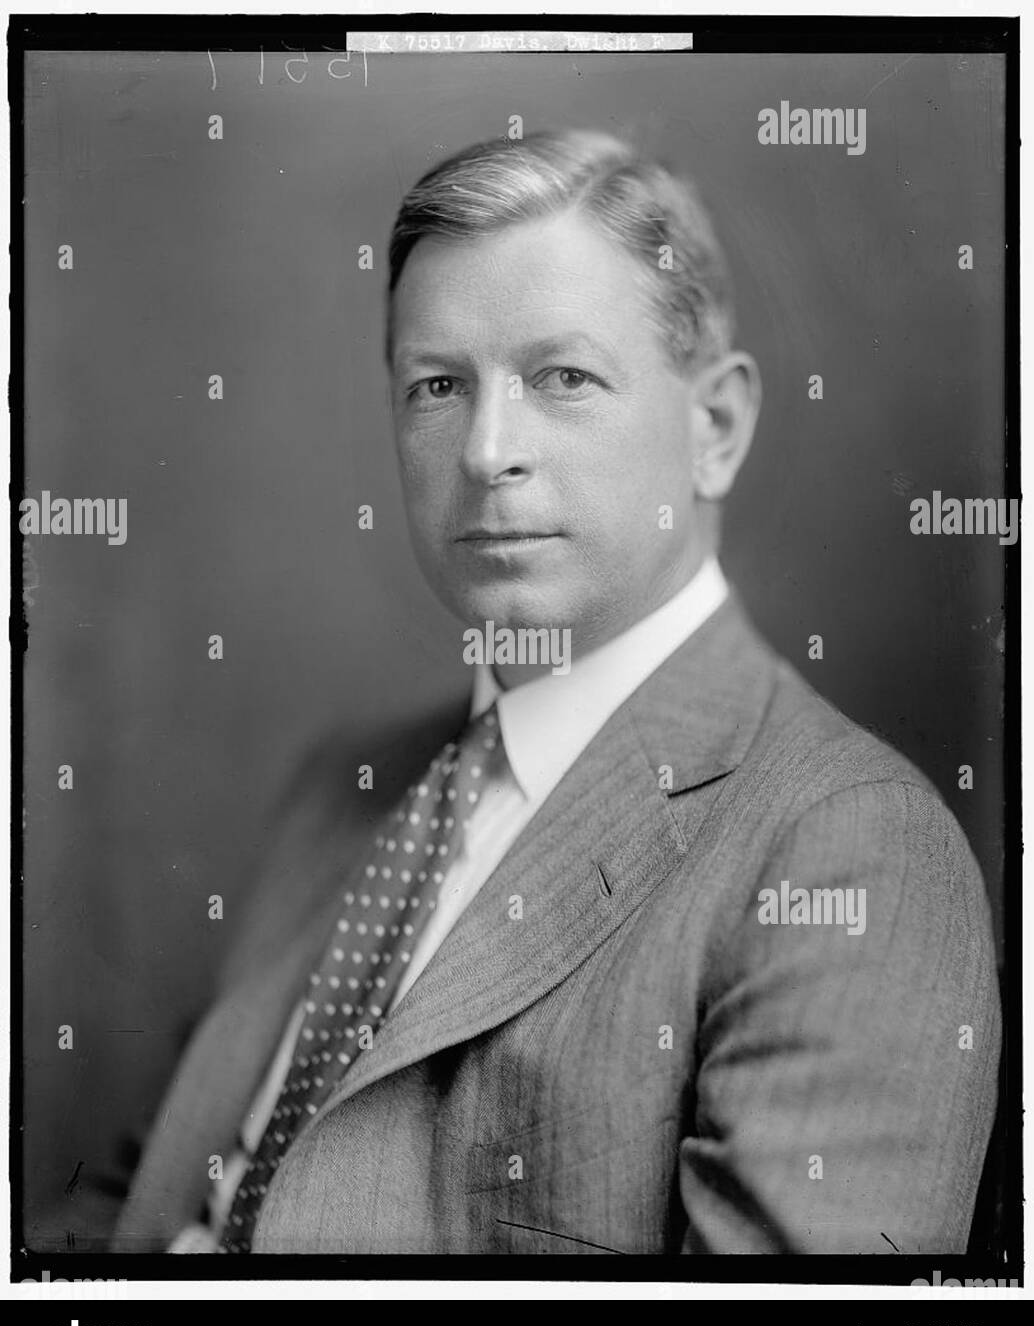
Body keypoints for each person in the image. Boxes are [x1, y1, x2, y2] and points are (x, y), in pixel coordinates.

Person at [110, 130, 1000, 1256]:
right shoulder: (343, 793)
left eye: (561, 377)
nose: (486, 450)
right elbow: (144, 1201)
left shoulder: (846, 849)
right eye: (437, 385)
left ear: (713, 428)